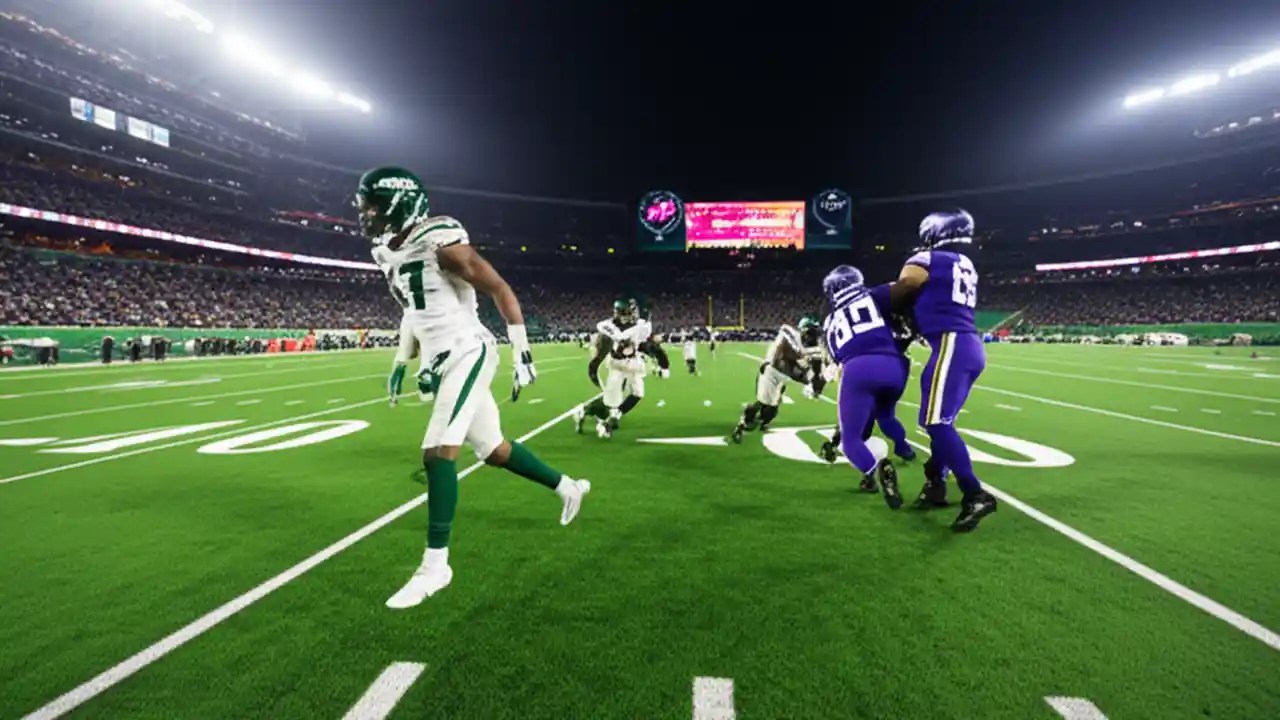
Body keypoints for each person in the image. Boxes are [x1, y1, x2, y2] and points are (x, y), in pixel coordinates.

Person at [354, 166, 592, 606]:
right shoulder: (388, 249)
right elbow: (414, 310)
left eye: (371, 205)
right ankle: (567, 487)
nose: (365, 214)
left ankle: (435, 566)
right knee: (495, 450)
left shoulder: (440, 241)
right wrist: (399, 361)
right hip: (440, 358)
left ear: (398, 202)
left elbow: (499, 287)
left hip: (468, 350)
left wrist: (522, 351)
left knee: (439, 452)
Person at [890, 209, 997, 532]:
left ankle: (975, 493)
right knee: (941, 421)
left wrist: (879, 302)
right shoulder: (964, 263)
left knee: (935, 421)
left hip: (951, 344)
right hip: (966, 345)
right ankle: (936, 483)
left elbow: (905, 286)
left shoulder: (926, 258)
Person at [819, 266, 908, 508]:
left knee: (851, 440)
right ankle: (905, 449)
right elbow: (907, 291)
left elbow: (836, 356)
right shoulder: (877, 295)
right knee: (886, 415)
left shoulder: (829, 321)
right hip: (895, 367)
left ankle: (877, 470)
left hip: (859, 369)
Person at [575, 299, 669, 438]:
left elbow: (647, 345)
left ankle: (613, 418)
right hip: (616, 365)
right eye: (627, 313)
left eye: (632, 312)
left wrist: (663, 363)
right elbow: (608, 344)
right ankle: (585, 411)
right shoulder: (607, 327)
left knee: (638, 393)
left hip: (633, 362)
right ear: (618, 313)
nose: (631, 315)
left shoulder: (641, 326)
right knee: (611, 402)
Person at [730, 316, 825, 443]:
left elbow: (817, 371)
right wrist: (800, 371)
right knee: (763, 402)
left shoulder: (815, 349)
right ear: (803, 331)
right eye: (811, 333)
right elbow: (782, 355)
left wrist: (815, 384)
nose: (813, 338)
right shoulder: (789, 334)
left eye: (815, 334)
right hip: (772, 371)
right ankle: (740, 426)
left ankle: (763, 421)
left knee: (771, 411)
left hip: (784, 376)